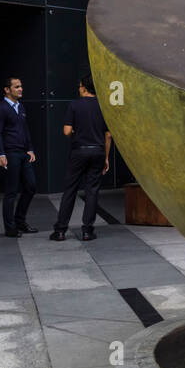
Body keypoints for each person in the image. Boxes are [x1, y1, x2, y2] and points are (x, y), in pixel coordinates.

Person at [50, 74, 111, 242]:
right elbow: (108, 136)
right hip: (98, 151)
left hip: (79, 151)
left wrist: (78, 132)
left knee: (70, 190)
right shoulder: (102, 106)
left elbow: (67, 131)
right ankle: (87, 231)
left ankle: (61, 230)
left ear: (84, 87)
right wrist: (106, 158)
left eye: (79, 86)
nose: (78, 89)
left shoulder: (74, 105)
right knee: (92, 191)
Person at [0, 76, 37, 236]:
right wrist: (1, 154)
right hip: (10, 154)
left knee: (31, 186)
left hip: (24, 153)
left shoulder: (21, 107)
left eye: (21, 86)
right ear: (7, 89)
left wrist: (30, 149)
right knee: (11, 192)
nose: (21, 89)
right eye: (17, 87)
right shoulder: (1, 109)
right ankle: (10, 229)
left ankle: (20, 221)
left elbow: (26, 130)